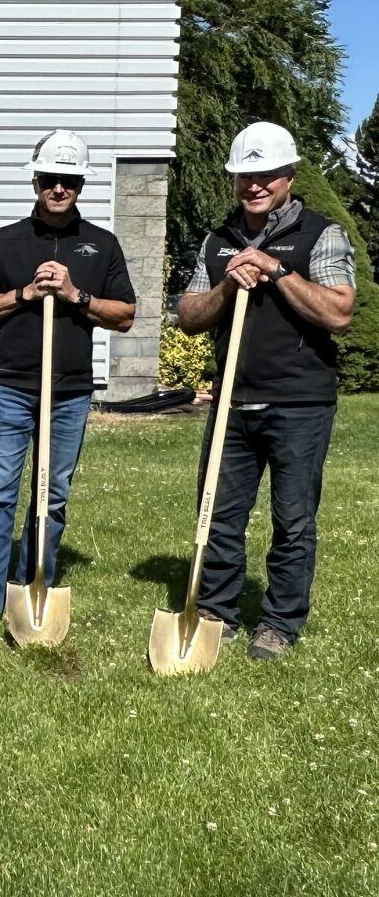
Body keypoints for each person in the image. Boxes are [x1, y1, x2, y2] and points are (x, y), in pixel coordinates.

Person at [172, 122, 356, 660]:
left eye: (266, 174)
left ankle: (278, 623)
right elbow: (189, 315)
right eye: (244, 175)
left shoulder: (320, 235)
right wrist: (230, 280)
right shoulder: (216, 240)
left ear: (288, 176)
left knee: (292, 519)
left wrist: (275, 270)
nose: (254, 184)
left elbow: (340, 312)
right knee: (219, 513)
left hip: (299, 403)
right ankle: (216, 613)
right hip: (233, 401)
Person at [0, 130, 136, 631]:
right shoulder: (5, 241)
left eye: (69, 180)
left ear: (80, 184)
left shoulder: (101, 244)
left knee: (51, 493)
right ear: (35, 180)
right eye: (50, 178)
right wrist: (26, 292)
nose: (58, 188)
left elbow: (125, 315)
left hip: (68, 391)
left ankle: (37, 586)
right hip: (9, 385)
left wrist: (76, 295)